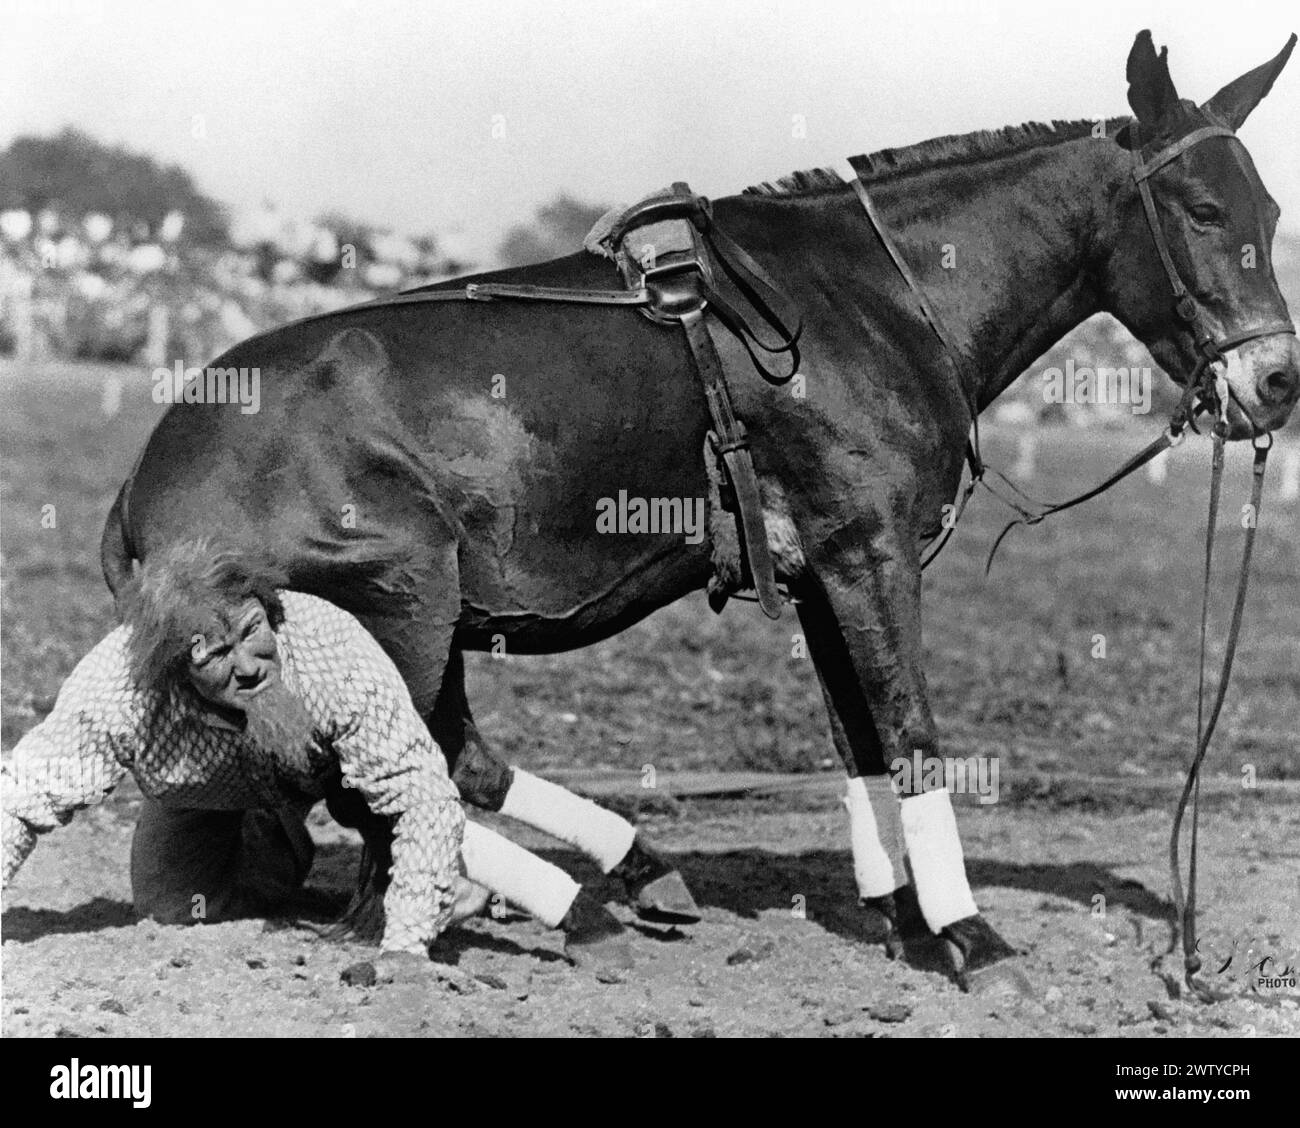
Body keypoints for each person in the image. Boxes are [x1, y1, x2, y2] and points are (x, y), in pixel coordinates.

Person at [0, 539, 627, 971]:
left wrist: (406, 952)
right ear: (170, 670)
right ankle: (280, 846)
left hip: (329, 775)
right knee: (172, 905)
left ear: (271, 613)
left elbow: (423, 796)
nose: (247, 667)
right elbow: (22, 799)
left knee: (391, 813)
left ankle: (451, 887)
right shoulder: (118, 689)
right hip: (202, 794)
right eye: (212, 655)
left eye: (251, 632)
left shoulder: (327, 648)